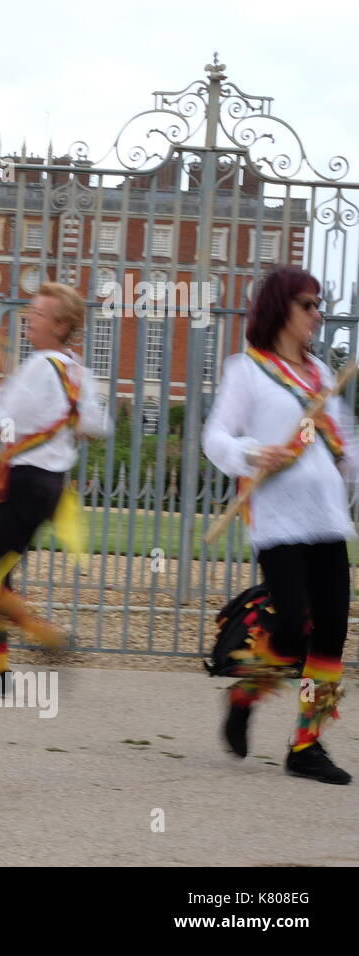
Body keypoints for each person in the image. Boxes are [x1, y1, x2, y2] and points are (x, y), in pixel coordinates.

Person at [203, 265, 354, 785]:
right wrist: (250, 452)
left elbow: (347, 449)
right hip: (278, 519)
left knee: (332, 631)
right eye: (308, 305)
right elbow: (215, 437)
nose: (317, 314)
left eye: (318, 305)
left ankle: (306, 745)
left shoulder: (323, 379)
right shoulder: (247, 370)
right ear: (281, 309)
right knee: (292, 622)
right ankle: (245, 695)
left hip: (328, 519)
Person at [0, 283, 109, 694]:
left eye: (39, 314)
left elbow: (6, 416)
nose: (29, 318)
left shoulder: (41, 365)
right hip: (50, 485)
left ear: (61, 325)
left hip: (24, 481)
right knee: (0, 575)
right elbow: (96, 426)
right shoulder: (78, 372)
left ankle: (45, 634)